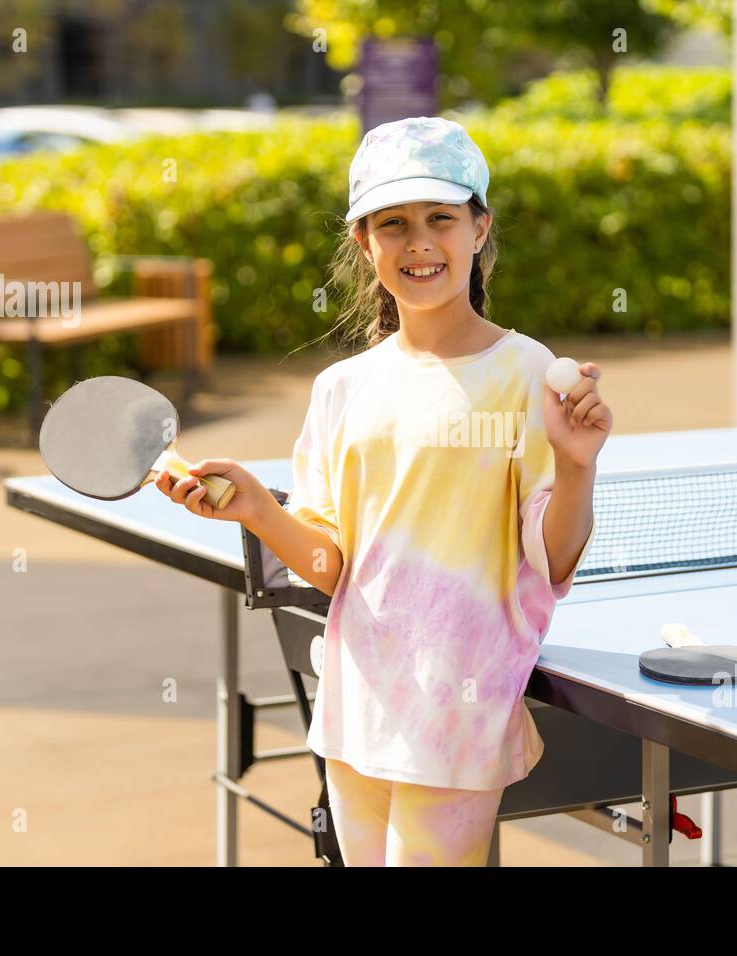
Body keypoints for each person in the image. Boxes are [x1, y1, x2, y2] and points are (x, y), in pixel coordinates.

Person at [154, 115, 612, 866]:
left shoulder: (529, 374)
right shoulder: (341, 388)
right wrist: (258, 510)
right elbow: (334, 570)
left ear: (480, 228)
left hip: (458, 714)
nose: (420, 242)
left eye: (441, 218)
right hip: (356, 710)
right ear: (364, 242)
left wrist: (575, 468)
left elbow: (552, 558)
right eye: (393, 224)